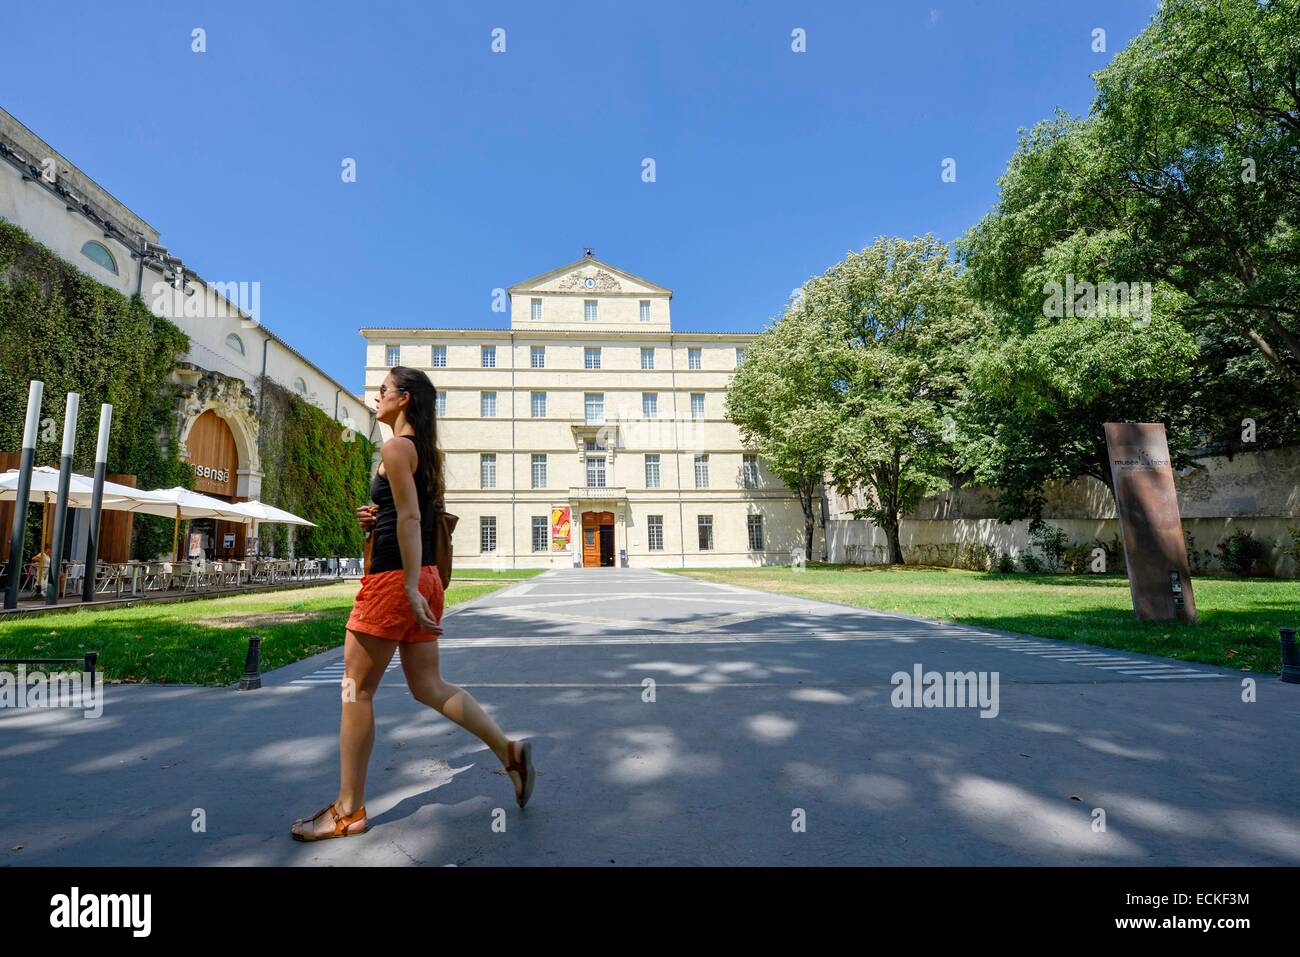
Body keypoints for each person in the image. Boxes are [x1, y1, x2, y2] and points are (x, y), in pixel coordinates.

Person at [290, 366, 535, 841]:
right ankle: (509, 752)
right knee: (428, 685)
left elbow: (408, 517)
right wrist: (375, 523)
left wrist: (402, 586)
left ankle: (348, 810)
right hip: (423, 579)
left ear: (403, 399)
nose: (376, 396)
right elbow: (408, 515)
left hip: (394, 582)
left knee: (354, 691)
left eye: (382, 390)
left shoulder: (395, 448)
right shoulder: (423, 452)